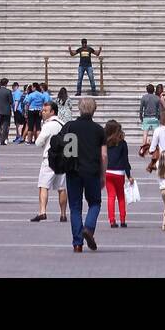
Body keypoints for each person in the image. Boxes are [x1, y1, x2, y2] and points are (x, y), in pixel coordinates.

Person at [62, 95, 107, 253]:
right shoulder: (99, 130)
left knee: (75, 207)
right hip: (92, 171)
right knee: (95, 202)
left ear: (79, 110)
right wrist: (103, 175)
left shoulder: (70, 126)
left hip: (73, 171)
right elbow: (103, 156)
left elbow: (66, 150)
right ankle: (88, 228)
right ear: (94, 110)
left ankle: (77, 243)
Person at [31, 100, 69, 223]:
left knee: (43, 186)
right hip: (63, 160)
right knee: (62, 188)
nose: (42, 112)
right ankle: (63, 214)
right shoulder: (64, 124)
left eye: (45, 111)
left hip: (49, 160)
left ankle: (42, 211)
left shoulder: (48, 125)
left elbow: (38, 143)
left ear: (52, 112)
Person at [104, 119, 133, 227]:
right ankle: (122, 220)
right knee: (121, 196)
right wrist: (129, 175)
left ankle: (112, 220)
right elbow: (125, 160)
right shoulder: (122, 143)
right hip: (119, 173)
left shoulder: (104, 143)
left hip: (107, 171)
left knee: (111, 196)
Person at [139, 84, 161, 151]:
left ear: (147, 90)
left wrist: (141, 116)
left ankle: (143, 148)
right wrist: (158, 117)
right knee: (155, 134)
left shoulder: (144, 97)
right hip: (154, 117)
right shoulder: (157, 98)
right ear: (153, 90)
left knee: (145, 133)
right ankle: (155, 148)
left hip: (146, 117)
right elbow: (159, 109)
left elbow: (141, 108)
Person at [0, 78, 14, 145]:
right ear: (6, 84)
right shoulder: (8, 91)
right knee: (5, 125)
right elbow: (11, 101)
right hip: (6, 110)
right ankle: (4, 139)